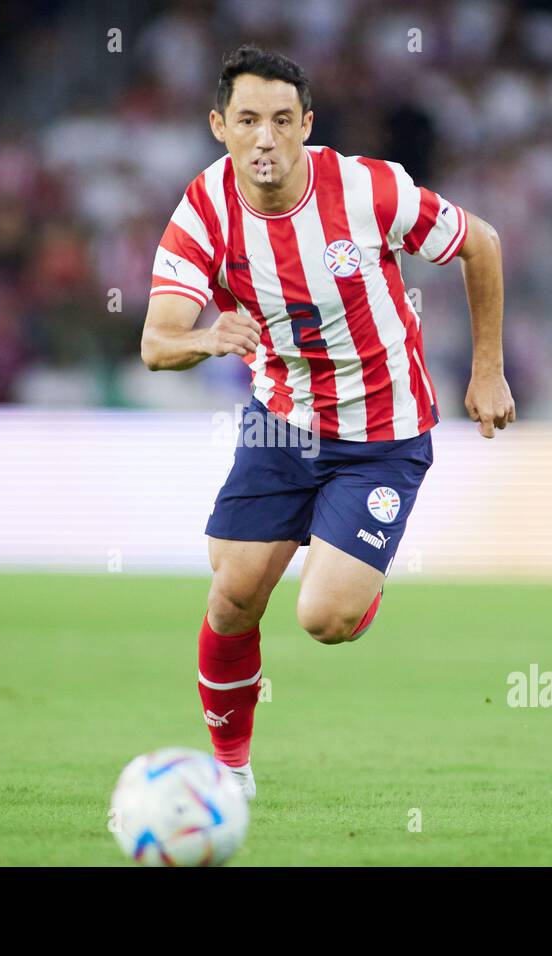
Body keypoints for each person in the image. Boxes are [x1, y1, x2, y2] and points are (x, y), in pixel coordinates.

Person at [140, 45, 513, 800]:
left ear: (307, 123)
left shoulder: (370, 189)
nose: (266, 138)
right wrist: (206, 337)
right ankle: (232, 773)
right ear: (220, 125)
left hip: (382, 431)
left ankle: (352, 573)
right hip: (281, 423)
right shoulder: (203, 209)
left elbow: (482, 242)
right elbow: (156, 341)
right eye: (248, 120)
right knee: (233, 590)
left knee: (324, 618)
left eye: (282, 120)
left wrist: (486, 368)